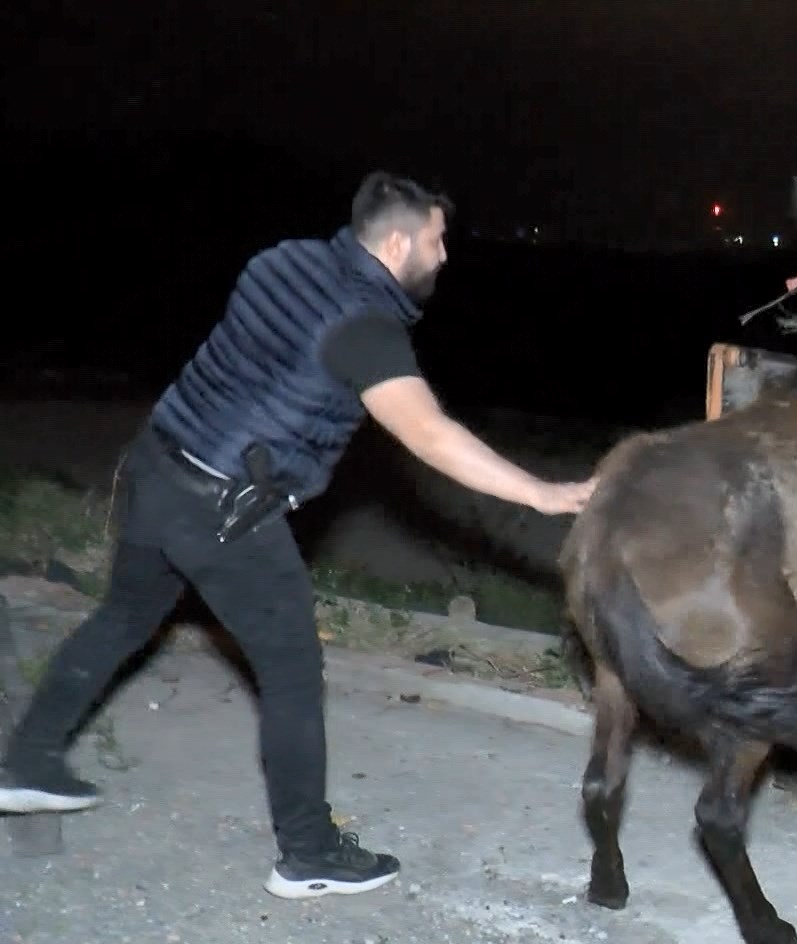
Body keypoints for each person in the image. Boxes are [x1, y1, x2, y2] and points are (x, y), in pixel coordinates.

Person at [0, 171, 596, 899]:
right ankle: (308, 853)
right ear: (401, 240)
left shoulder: (281, 260)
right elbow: (431, 436)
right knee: (291, 674)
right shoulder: (364, 328)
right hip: (224, 511)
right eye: (438, 243)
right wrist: (542, 491)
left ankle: (26, 765)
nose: (444, 258)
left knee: (124, 615)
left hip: (158, 464)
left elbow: (262, 369)